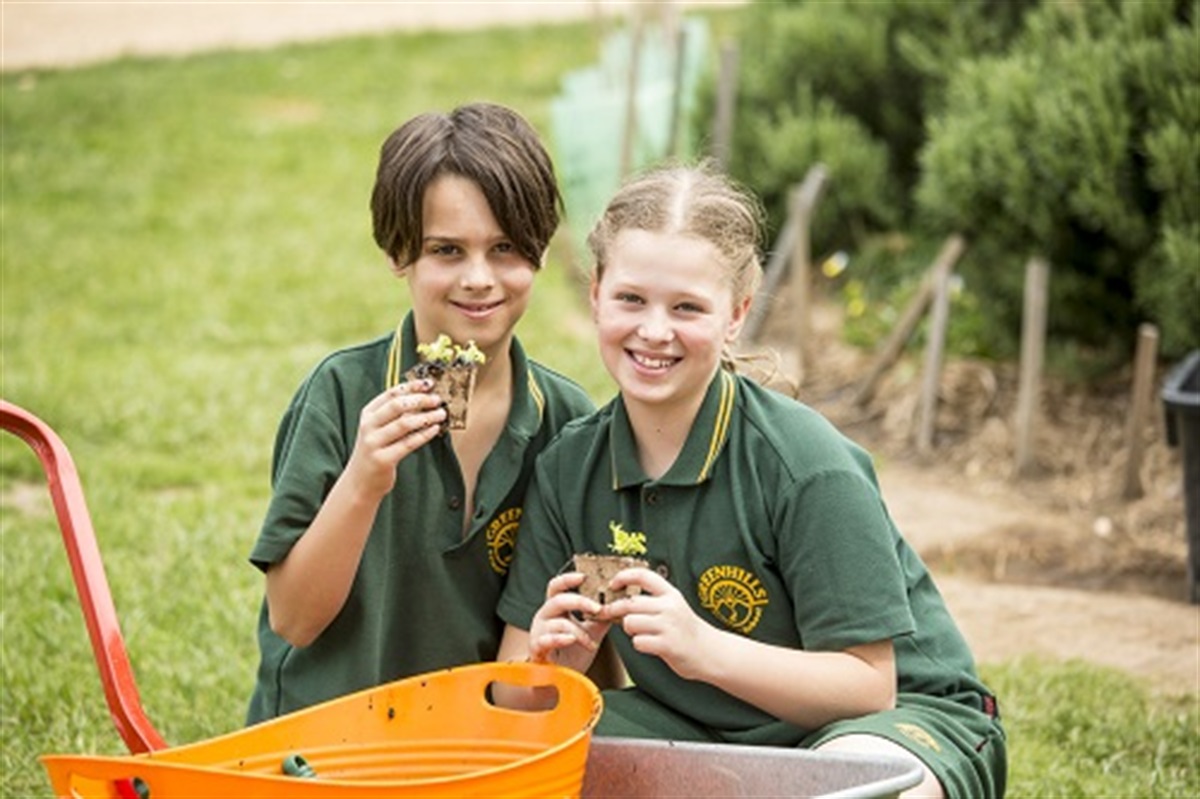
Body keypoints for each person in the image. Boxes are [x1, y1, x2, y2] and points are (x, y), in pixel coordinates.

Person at [495, 164, 1007, 799]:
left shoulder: (802, 462)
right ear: (596, 293)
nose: (655, 330)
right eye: (632, 299)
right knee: (533, 765)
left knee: (855, 791)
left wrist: (702, 649)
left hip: (892, 722)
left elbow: (869, 685)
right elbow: (511, 697)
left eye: (687, 307)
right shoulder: (570, 469)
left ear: (735, 315)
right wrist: (551, 667)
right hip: (696, 726)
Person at [245, 102, 598, 724]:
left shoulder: (567, 423)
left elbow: (554, 670)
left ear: (541, 251)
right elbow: (294, 621)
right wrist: (363, 480)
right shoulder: (341, 394)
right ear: (398, 252)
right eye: (447, 251)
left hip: (471, 754)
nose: (479, 278)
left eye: (506, 247)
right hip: (321, 745)